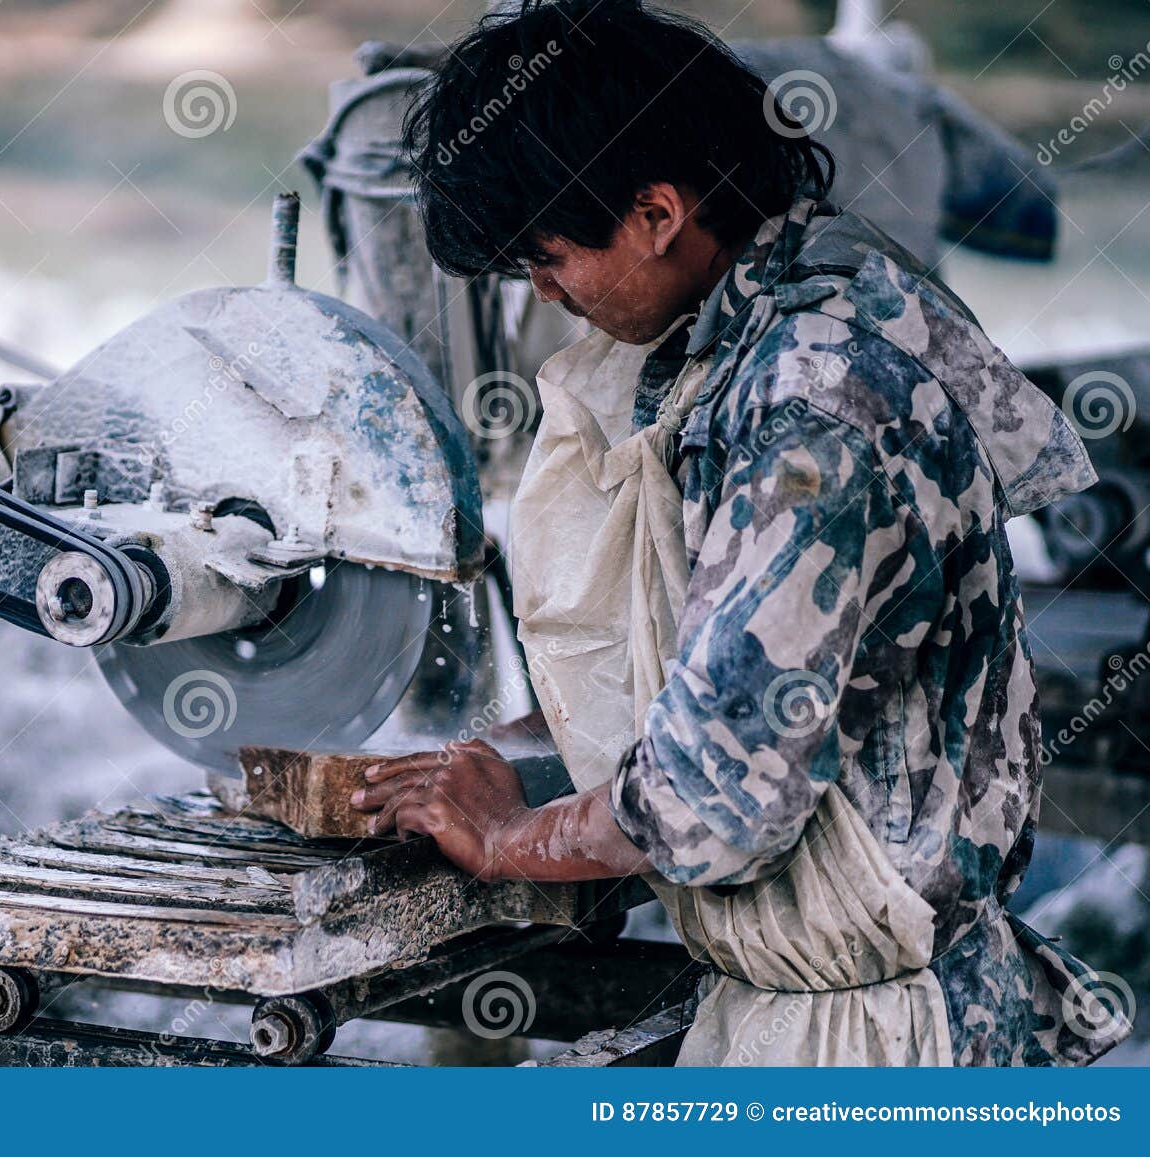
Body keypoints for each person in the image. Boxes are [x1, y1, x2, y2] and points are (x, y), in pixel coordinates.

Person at [350, 0, 1129, 1066]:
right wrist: (524, 750)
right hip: (812, 997)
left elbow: (711, 795)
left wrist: (502, 836)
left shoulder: (815, 404)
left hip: (880, 1043)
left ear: (658, 213)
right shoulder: (768, 320)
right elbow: (738, 667)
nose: (545, 293)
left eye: (547, 259)